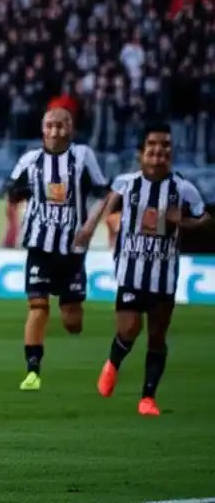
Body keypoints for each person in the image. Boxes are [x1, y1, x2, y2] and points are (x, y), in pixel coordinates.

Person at [76, 124, 209, 416]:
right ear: (141, 153)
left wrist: (181, 222)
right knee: (129, 328)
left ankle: (147, 398)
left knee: (157, 337)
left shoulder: (183, 188)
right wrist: (88, 228)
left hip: (165, 276)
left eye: (165, 145)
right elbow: (107, 206)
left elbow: (204, 219)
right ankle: (113, 363)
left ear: (171, 152)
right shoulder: (126, 183)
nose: (159, 150)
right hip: (130, 272)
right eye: (152, 145)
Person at [6, 107, 108, 391]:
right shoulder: (30, 160)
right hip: (39, 246)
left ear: (70, 128)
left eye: (60, 125)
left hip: (73, 249)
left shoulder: (83, 156)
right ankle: (32, 371)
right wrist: (15, 200)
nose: (55, 131)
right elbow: (12, 188)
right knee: (37, 306)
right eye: (49, 125)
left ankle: (72, 309)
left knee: (72, 320)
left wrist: (89, 227)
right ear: (42, 128)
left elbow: (104, 193)